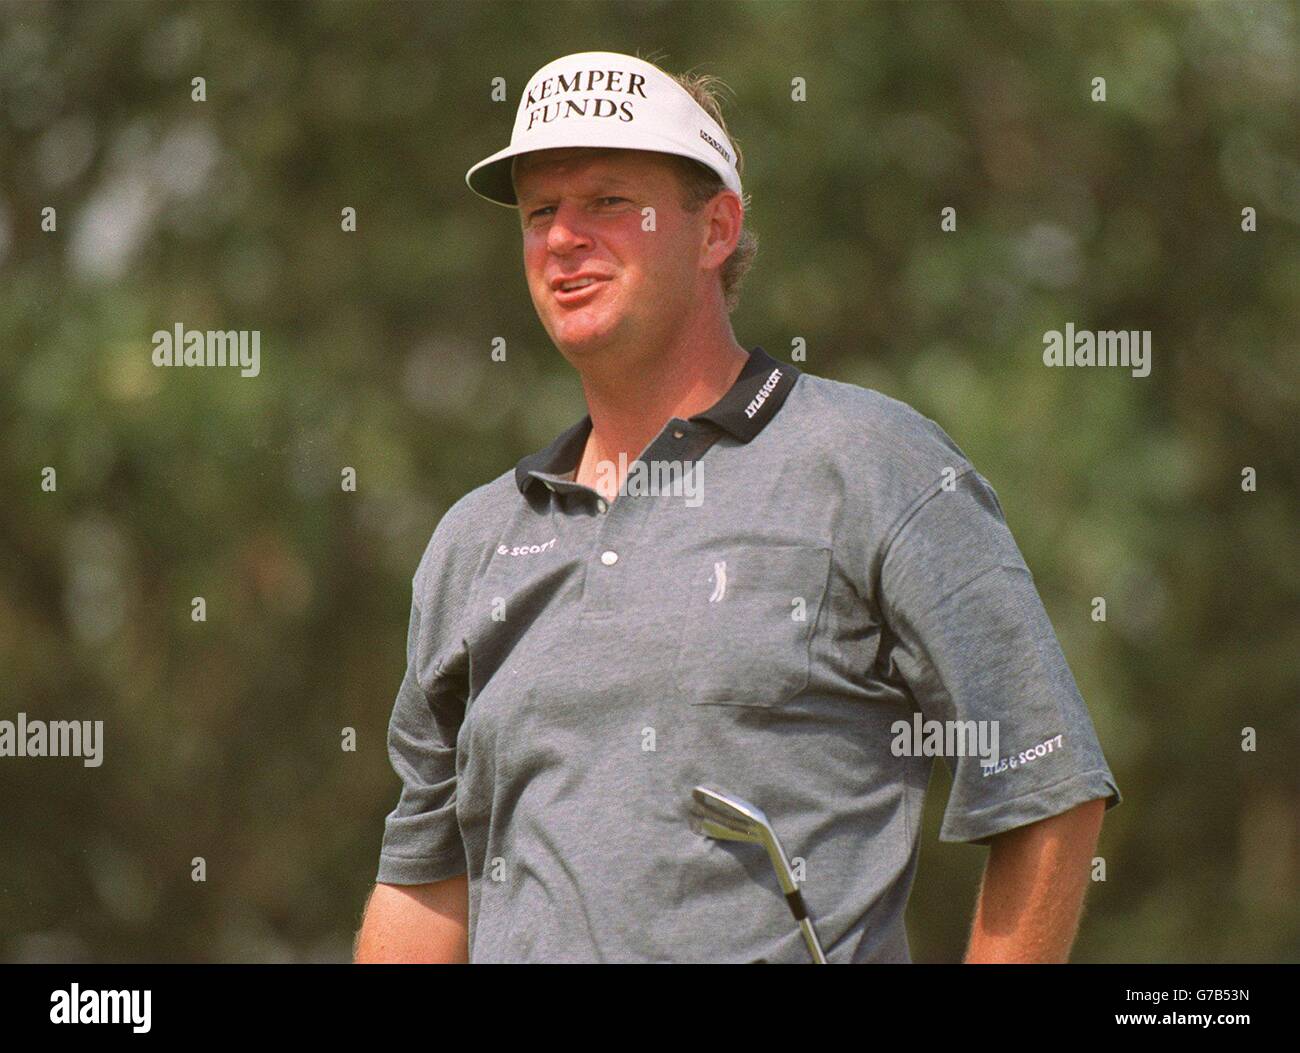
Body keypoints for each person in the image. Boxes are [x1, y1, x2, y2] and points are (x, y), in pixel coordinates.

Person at [354, 50, 1120, 964]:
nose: (562, 238)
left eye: (606, 201)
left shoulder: (872, 463)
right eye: (539, 212)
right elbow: (423, 884)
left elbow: (1046, 782)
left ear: (716, 228)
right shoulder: (472, 541)